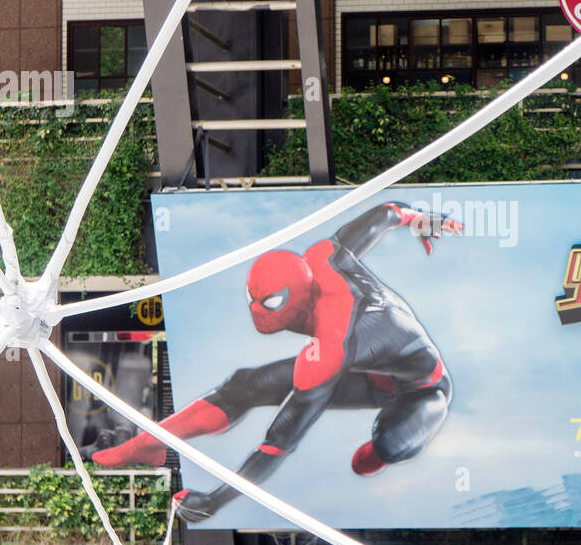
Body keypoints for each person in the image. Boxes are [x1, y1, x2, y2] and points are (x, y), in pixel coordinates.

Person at [92, 202, 462, 523]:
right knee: (244, 384)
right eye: (252, 299)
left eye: (269, 303)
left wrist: (215, 501)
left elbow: (277, 444)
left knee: (384, 448)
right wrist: (421, 221)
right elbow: (384, 215)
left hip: (422, 391)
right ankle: (152, 441)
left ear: (299, 298)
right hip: (368, 369)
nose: (256, 312)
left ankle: (380, 452)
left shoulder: (332, 343)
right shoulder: (322, 256)